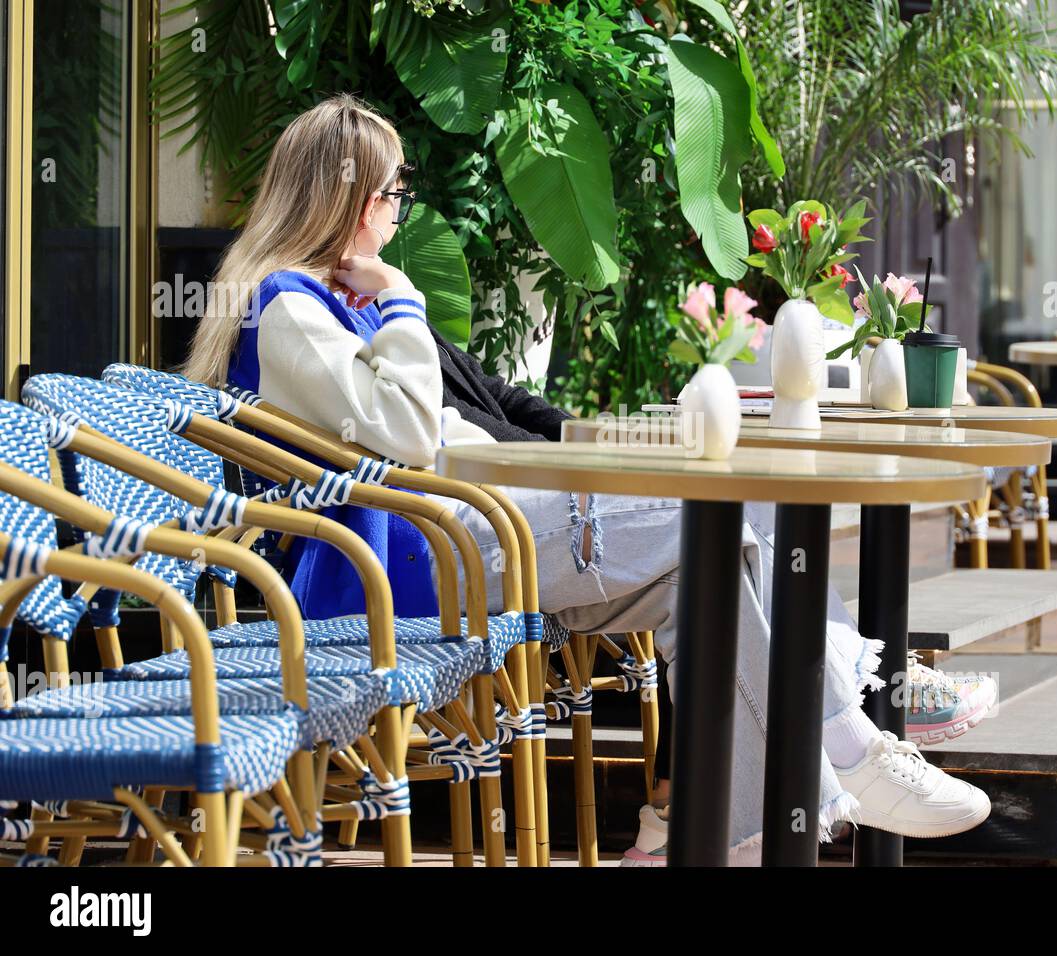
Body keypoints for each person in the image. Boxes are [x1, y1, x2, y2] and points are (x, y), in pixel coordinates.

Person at [183, 94, 992, 865]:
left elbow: (437, 426)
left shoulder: (331, 299)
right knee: (708, 520)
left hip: (458, 530)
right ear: (357, 200)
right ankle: (851, 752)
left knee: (704, 577)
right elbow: (402, 431)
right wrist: (401, 300)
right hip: (407, 562)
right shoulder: (289, 305)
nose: (400, 212)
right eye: (395, 192)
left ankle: (735, 834)